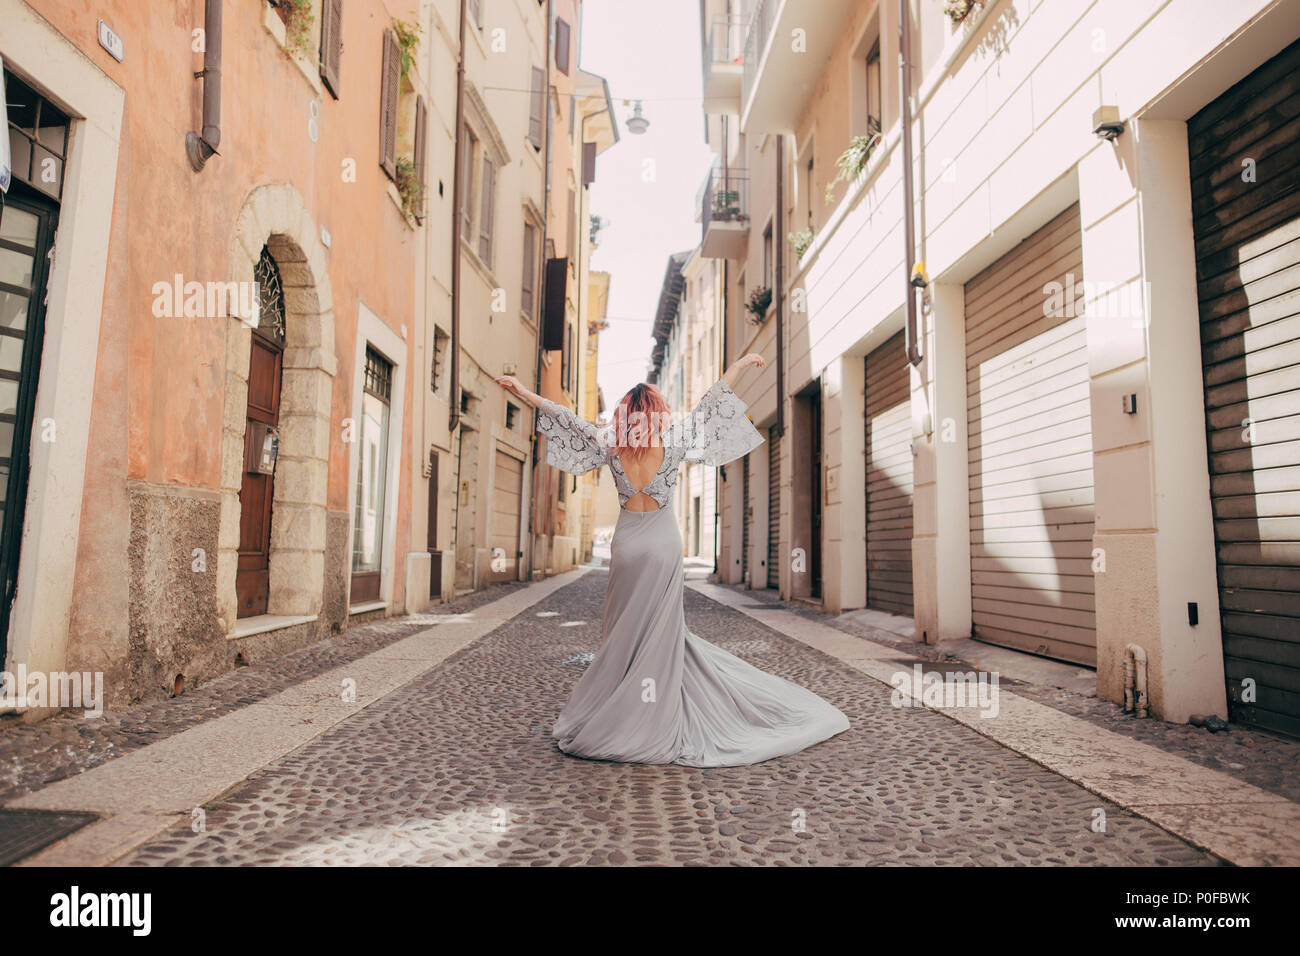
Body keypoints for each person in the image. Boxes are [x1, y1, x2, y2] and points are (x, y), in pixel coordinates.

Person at [495, 354, 850, 767]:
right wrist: (739, 365)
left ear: (625, 414)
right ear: (658, 413)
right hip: (663, 545)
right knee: (663, 630)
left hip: (628, 546)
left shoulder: (612, 444)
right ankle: (655, 711)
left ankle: (619, 707)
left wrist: (523, 393)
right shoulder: (675, 440)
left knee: (623, 630)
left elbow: (564, 416)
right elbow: (712, 399)